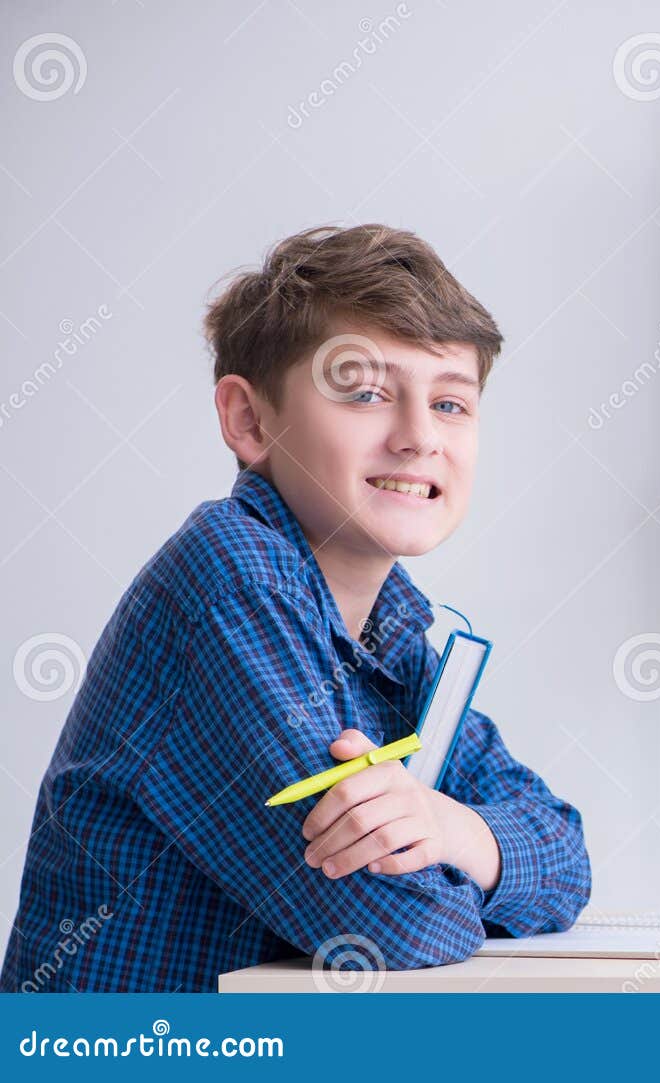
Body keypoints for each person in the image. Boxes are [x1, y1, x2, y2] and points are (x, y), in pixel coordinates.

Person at [3, 225, 590, 992]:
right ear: (249, 421)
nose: (419, 438)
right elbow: (385, 924)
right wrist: (466, 862)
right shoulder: (229, 577)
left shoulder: (400, 638)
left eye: (450, 402)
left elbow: (566, 854)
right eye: (367, 392)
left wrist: (453, 828)